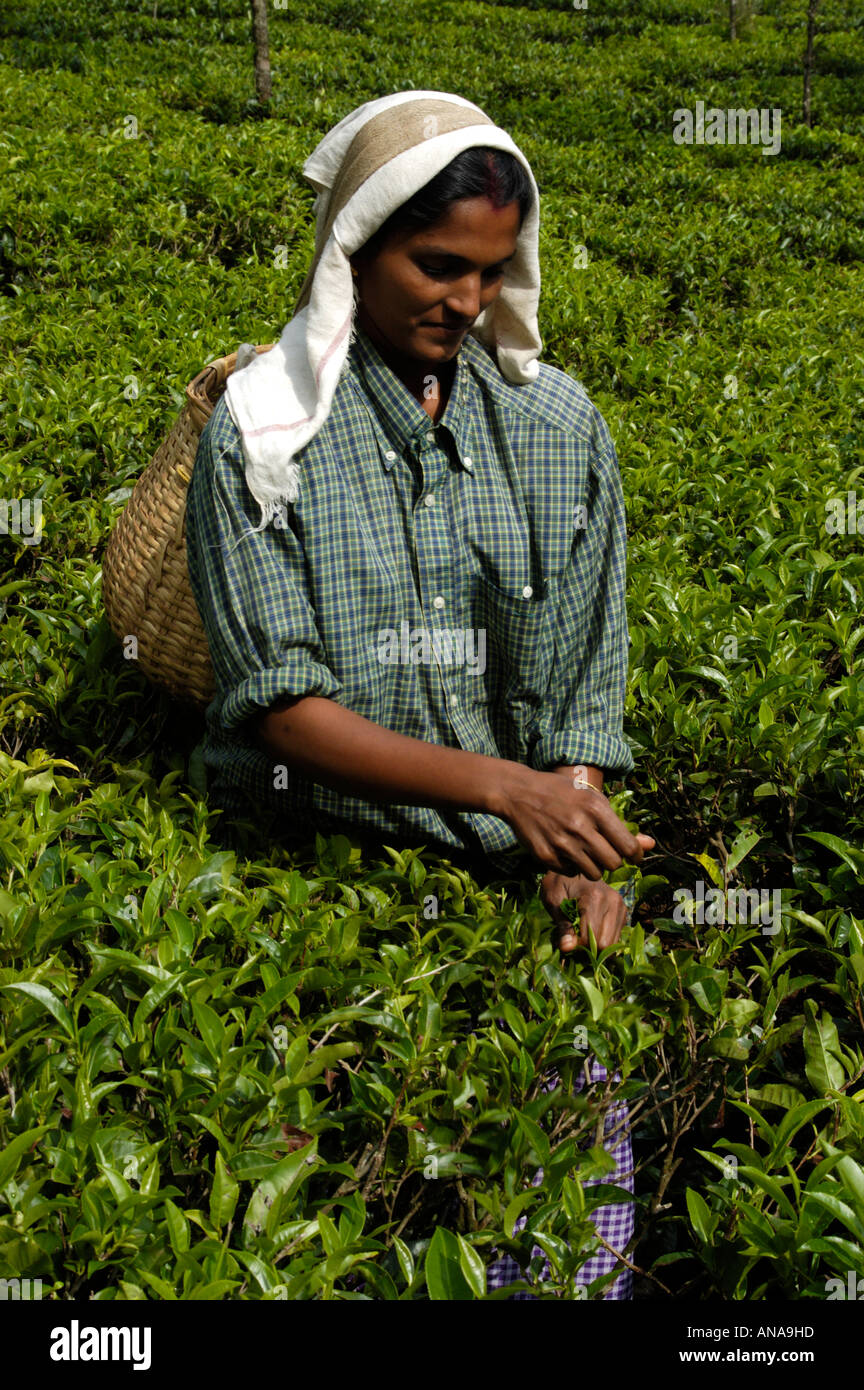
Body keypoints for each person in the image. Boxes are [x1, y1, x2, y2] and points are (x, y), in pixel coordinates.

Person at [185, 90, 654, 1298]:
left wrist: (573, 838)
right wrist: (510, 789)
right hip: (310, 868)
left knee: (556, 1248)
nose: (465, 301)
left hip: (500, 882)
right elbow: (280, 704)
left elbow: (580, 700)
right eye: (436, 265)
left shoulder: (558, 429)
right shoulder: (266, 430)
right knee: (310, 1252)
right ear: (356, 249)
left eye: (491, 273)